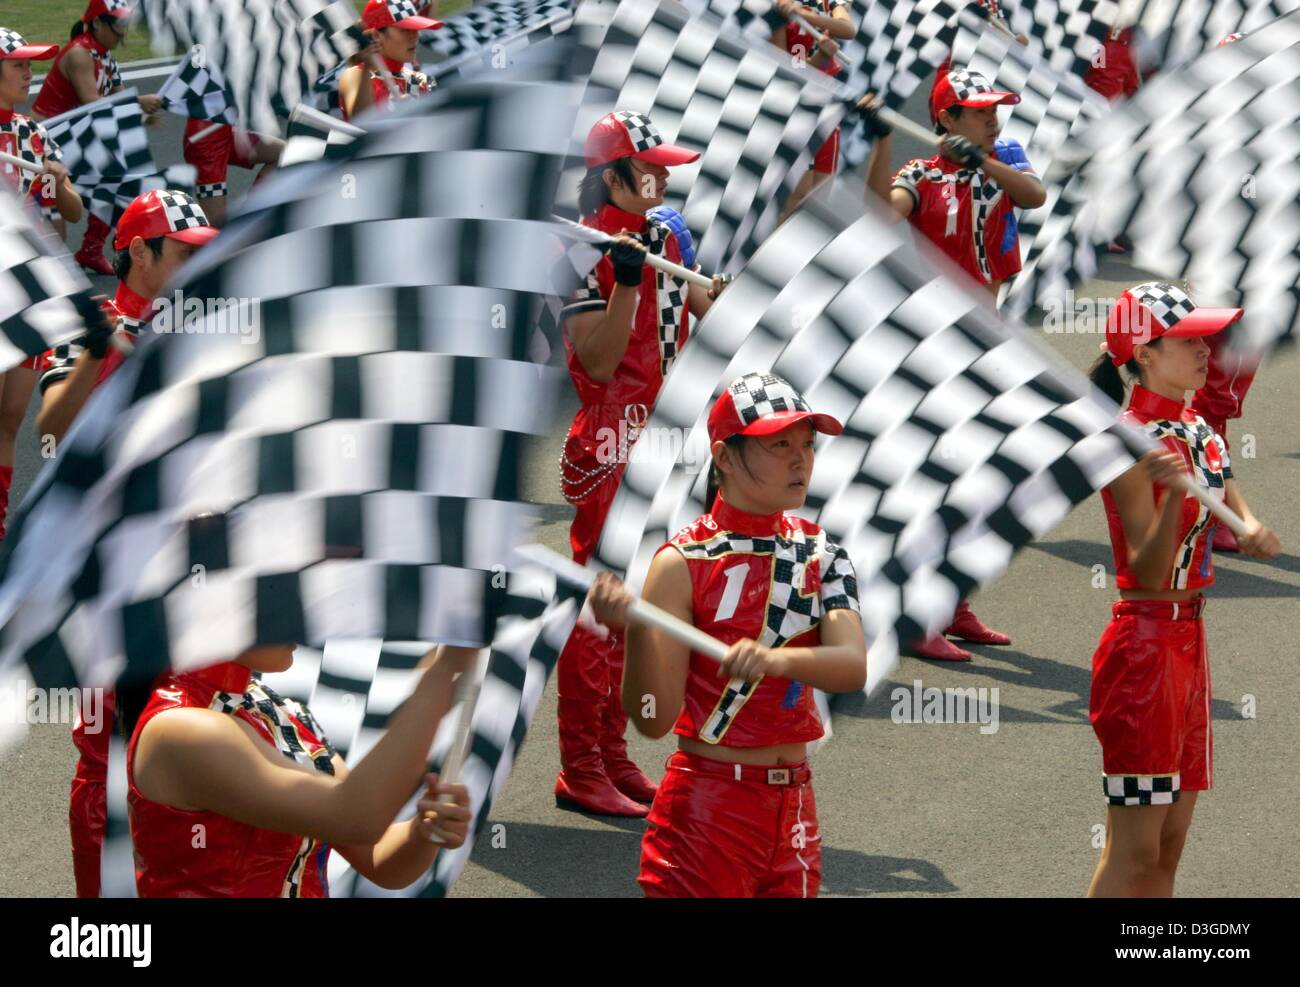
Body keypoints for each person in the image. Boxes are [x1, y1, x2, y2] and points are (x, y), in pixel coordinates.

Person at [587, 372, 867, 897]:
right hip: (707, 810)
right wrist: (634, 636)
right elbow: (652, 719)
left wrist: (775, 661)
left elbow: (851, 667)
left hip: (796, 809)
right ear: (725, 457)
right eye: (779, 444)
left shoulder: (823, 552)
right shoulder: (680, 562)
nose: (800, 459)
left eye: (807, 444)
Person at [38, 188, 220, 897]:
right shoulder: (96, 326)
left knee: (176, 744)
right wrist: (93, 351)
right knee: (107, 758)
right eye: (182, 252)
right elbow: (51, 433)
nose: (194, 266)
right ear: (138, 251)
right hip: (106, 577)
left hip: (186, 571)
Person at [555, 109, 728, 817]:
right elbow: (594, 362)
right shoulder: (576, 248)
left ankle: (614, 751)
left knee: (644, 606)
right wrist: (625, 284)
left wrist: (720, 296)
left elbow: (705, 320)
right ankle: (579, 767)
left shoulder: (668, 232)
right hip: (610, 436)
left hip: (668, 435)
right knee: (602, 607)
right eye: (646, 164)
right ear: (609, 173)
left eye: (662, 163)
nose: (661, 175)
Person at [1085, 282, 1279, 897]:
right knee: (1134, 852)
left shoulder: (1199, 428)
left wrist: (1250, 528)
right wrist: (1171, 499)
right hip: (1142, 647)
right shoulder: (1124, 440)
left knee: (1168, 849)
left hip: (1189, 645)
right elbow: (1143, 570)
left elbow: (1233, 504)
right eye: (1191, 340)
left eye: (1209, 339)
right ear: (1144, 351)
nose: (1207, 352)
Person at [858, 70, 1028, 661]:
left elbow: (1034, 196)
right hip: (930, 348)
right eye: (979, 112)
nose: (993, 120)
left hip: (983, 345)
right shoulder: (920, 175)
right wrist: (881, 141)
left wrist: (979, 159)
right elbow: (881, 219)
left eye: (994, 111)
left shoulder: (1000, 162)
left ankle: (952, 603)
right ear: (946, 119)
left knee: (972, 482)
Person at [126, 639, 473, 896]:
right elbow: (358, 816)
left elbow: (379, 859)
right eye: (280, 595)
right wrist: (441, 674)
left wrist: (423, 832)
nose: (303, 617)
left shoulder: (271, 707)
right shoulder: (183, 730)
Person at [0, 28, 84, 540]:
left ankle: (1, 516)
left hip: (25, 286)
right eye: (18, 66)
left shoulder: (31, 133)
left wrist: (57, 176)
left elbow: (72, 211)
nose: (29, 74)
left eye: (31, 66)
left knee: (10, 417)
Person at [31, 0, 166, 276]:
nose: (123, 31)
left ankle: (90, 250)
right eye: (118, 24)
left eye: (125, 23)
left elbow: (117, 96)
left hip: (77, 138)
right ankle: (49, 263)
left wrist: (141, 111)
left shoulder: (104, 55)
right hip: (47, 139)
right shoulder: (80, 54)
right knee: (48, 208)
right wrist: (139, 103)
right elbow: (92, 102)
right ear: (96, 23)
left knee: (117, 180)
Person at [769, 0, 856, 220]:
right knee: (796, 195)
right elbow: (788, 72)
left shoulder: (827, 2)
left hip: (826, 107)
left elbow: (847, 28)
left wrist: (804, 15)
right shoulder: (778, 5)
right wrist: (821, 57)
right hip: (795, 109)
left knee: (820, 201)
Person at [337, 1, 442, 123]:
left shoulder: (423, 80)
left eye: (416, 28)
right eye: (405, 30)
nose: (415, 36)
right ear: (376, 35)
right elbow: (361, 124)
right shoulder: (356, 74)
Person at [182, 122, 285, 227]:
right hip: (205, 143)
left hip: (225, 132)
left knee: (284, 154)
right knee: (218, 229)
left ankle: (251, 213)